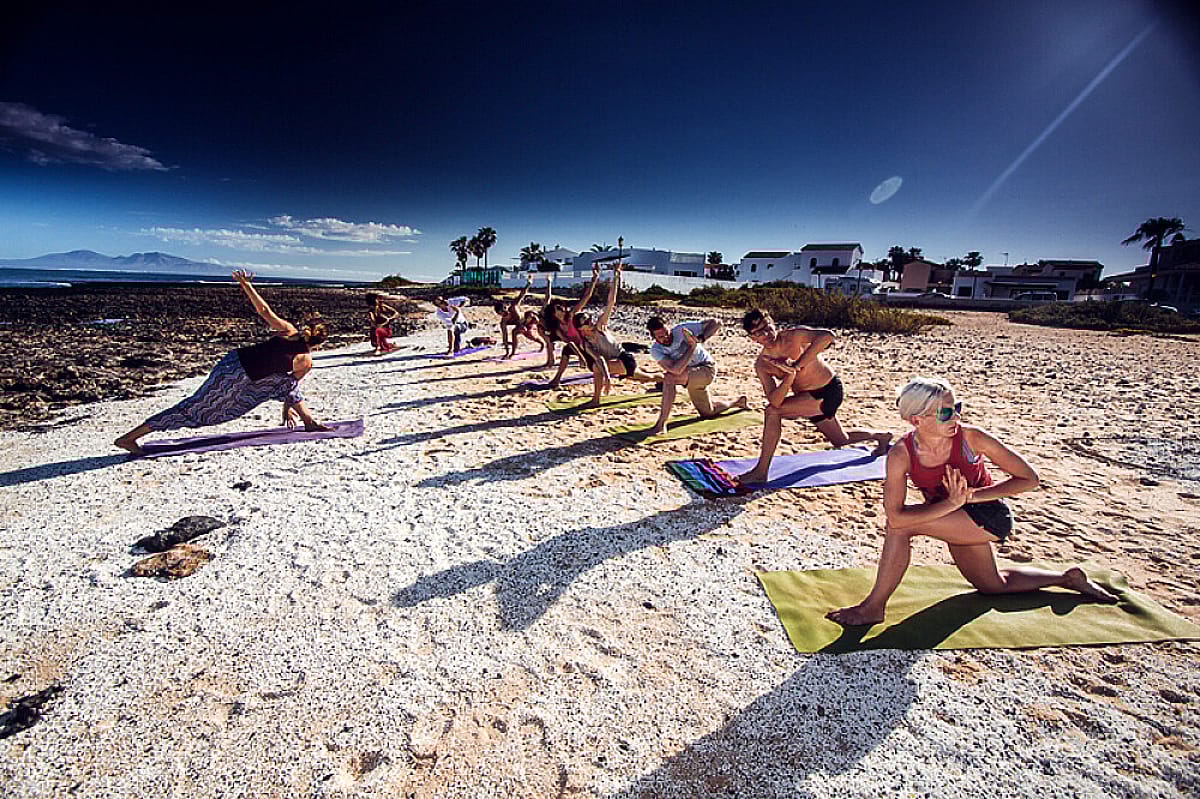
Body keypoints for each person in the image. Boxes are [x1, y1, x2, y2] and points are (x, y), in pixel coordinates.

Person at [826, 376, 1118, 626]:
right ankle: (1066, 578)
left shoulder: (971, 438)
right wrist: (951, 505)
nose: (956, 418)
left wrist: (971, 496)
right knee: (993, 585)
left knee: (901, 530)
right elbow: (895, 513)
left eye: (957, 409)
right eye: (945, 414)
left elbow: (1029, 478)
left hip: (988, 515)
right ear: (917, 420)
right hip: (951, 513)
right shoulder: (901, 454)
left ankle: (873, 607)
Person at [114, 270, 330, 455]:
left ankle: (308, 421)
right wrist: (286, 409)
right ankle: (128, 438)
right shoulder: (305, 361)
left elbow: (264, 311)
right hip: (237, 377)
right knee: (193, 410)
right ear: (319, 344)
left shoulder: (289, 331)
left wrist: (245, 285)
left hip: (231, 364)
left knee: (282, 383)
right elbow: (291, 387)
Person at [736, 308, 892, 484]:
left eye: (767, 327)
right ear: (753, 338)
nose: (766, 334)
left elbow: (827, 336)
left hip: (828, 390)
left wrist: (796, 365)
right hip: (806, 398)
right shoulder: (762, 364)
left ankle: (761, 471)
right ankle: (881, 436)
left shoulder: (793, 336)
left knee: (772, 412)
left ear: (773, 323)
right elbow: (775, 399)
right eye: (759, 332)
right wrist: (788, 378)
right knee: (840, 440)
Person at [573, 263, 659, 408]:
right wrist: (607, 377)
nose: (591, 321)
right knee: (647, 377)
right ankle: (667, 380)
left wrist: (616, 275)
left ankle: (596, 400)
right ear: (581, 328)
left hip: (625, 359)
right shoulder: (586, 343)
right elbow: (599, 358)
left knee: (598, 368)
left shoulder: (600, 326)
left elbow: (611, 302)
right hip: (614, 364)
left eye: (590, 318)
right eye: (586, 321)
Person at [646, 315, 747, 437]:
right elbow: (675, 369)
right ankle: (738, 402)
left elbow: (716, 323)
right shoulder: (656, 350)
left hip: (706, 369)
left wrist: (701, 338)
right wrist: (692, 347)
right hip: (689, 375)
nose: (666, 337)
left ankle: (661, 424)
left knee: (669, 378)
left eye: (667, 333)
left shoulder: (681, 330)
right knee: (708, 412)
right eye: (661, 337)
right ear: (654, 337)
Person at [545, 264, 601, 387]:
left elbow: (586, 297)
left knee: (599, 365)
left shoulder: (571, 315)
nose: (563, 309)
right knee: (566, 351)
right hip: (578, 347)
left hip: (589, 343)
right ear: (553, 314)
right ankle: (557, 379)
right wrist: (580, 357)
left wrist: (594, 278)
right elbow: (569, 343)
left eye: (562, 307)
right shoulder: (558, 327)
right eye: (559, 308)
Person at [492, 273, 546, 358]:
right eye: (501, 314)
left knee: (531, 335)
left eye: (503, 312)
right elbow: (505, 337)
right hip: (521, 325)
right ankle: (513, 353)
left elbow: (522, 294)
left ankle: (543, 343)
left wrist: (529, 283)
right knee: (516, 332)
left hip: (530, 319)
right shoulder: (503, 322)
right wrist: (507, 351)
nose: (504, 315)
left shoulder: (513, 307)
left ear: (505, 309)